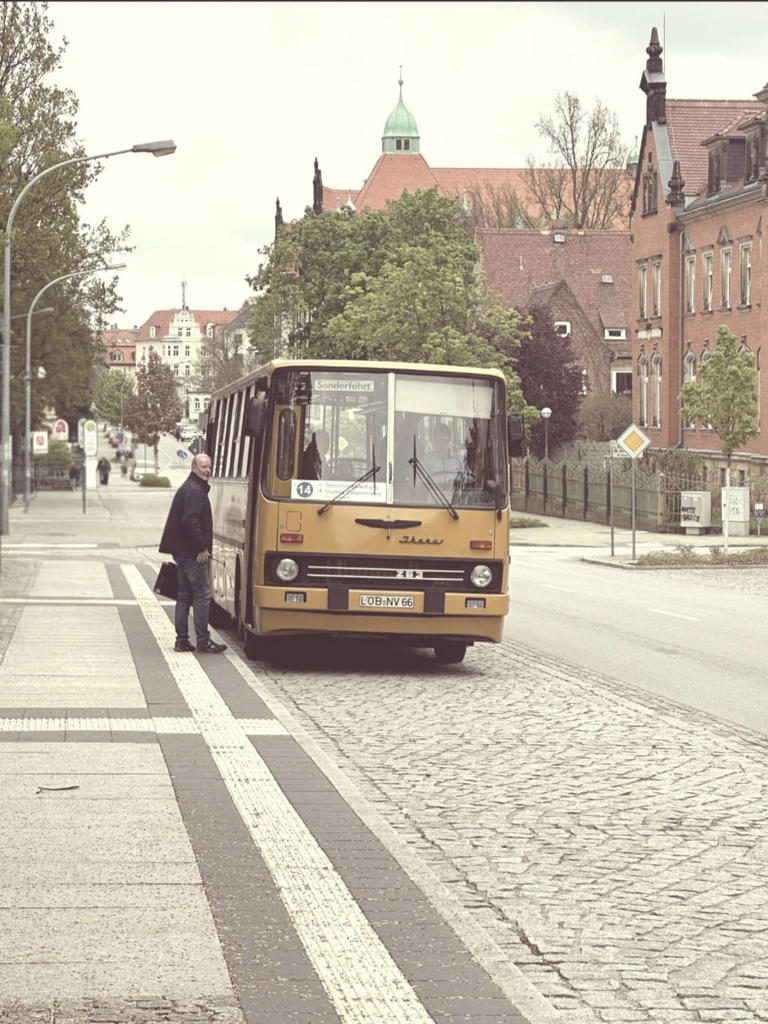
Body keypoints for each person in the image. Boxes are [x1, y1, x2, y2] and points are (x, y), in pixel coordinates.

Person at [158, 453, 227, 654]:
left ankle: (182, 641)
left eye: (209, 467)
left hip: (182, 552)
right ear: (194, 467)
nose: (207, 470)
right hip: (192, 553)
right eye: (204, 467)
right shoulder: (195, 490)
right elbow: (190, 521)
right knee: (202, 595)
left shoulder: (190, 487)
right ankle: (203, 641)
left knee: (184, 596)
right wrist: (202, 548)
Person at [423, 422, 469, 488]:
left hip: (455, 495)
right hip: (434, 494)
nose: (443, 444)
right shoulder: (427, 460)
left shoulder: (459, 459)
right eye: (440, 440)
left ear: (449, 440)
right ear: (435, 441)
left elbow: (467, 478)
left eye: (445, 440)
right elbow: (422, 482)